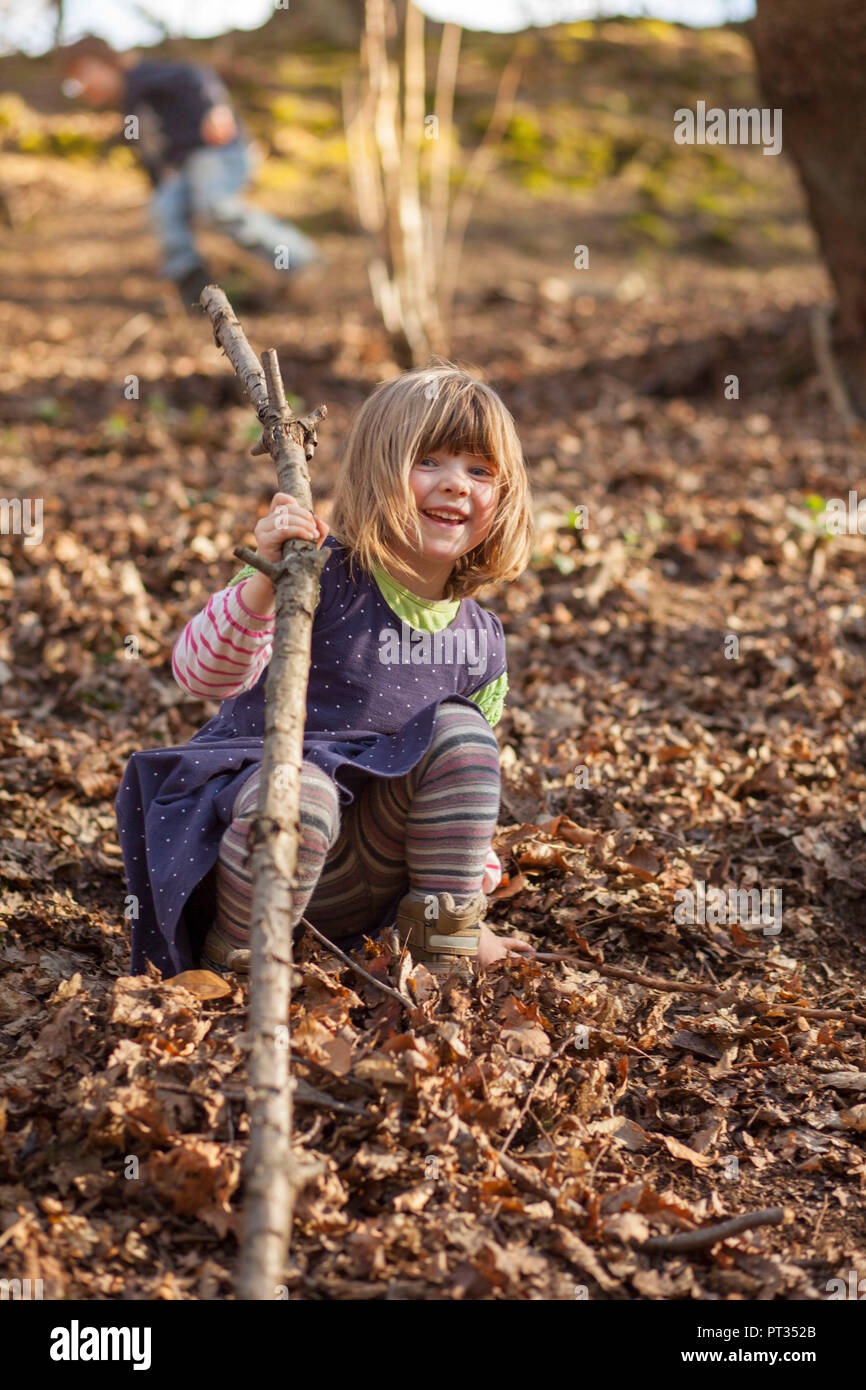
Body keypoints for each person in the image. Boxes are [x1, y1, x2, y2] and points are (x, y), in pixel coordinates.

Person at [114, 364, 536, 979]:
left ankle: (444, 948)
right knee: (303, 794)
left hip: (362, 885)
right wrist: (267, 579)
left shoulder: (481, 643)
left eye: (479, 470)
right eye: (429, 462)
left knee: (464, 735)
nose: (456, 486)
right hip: (251, 851)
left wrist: (472, 911)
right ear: (377, 474)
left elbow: (465, 798)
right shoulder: (314, 575)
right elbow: (201, 675)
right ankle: (237, 961)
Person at [59, 35, 318, 309]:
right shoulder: (130, 105)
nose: (83, 86)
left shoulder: (142, 76)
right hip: (185, 167)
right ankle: (194, 287)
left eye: (85, 72)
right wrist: (162, 184)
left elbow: (195, 75)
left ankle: (299, 259)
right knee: (163, 209)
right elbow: (152, 156)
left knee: (215, 207)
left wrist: (214, 109)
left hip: (217, 150)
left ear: (107, 63)